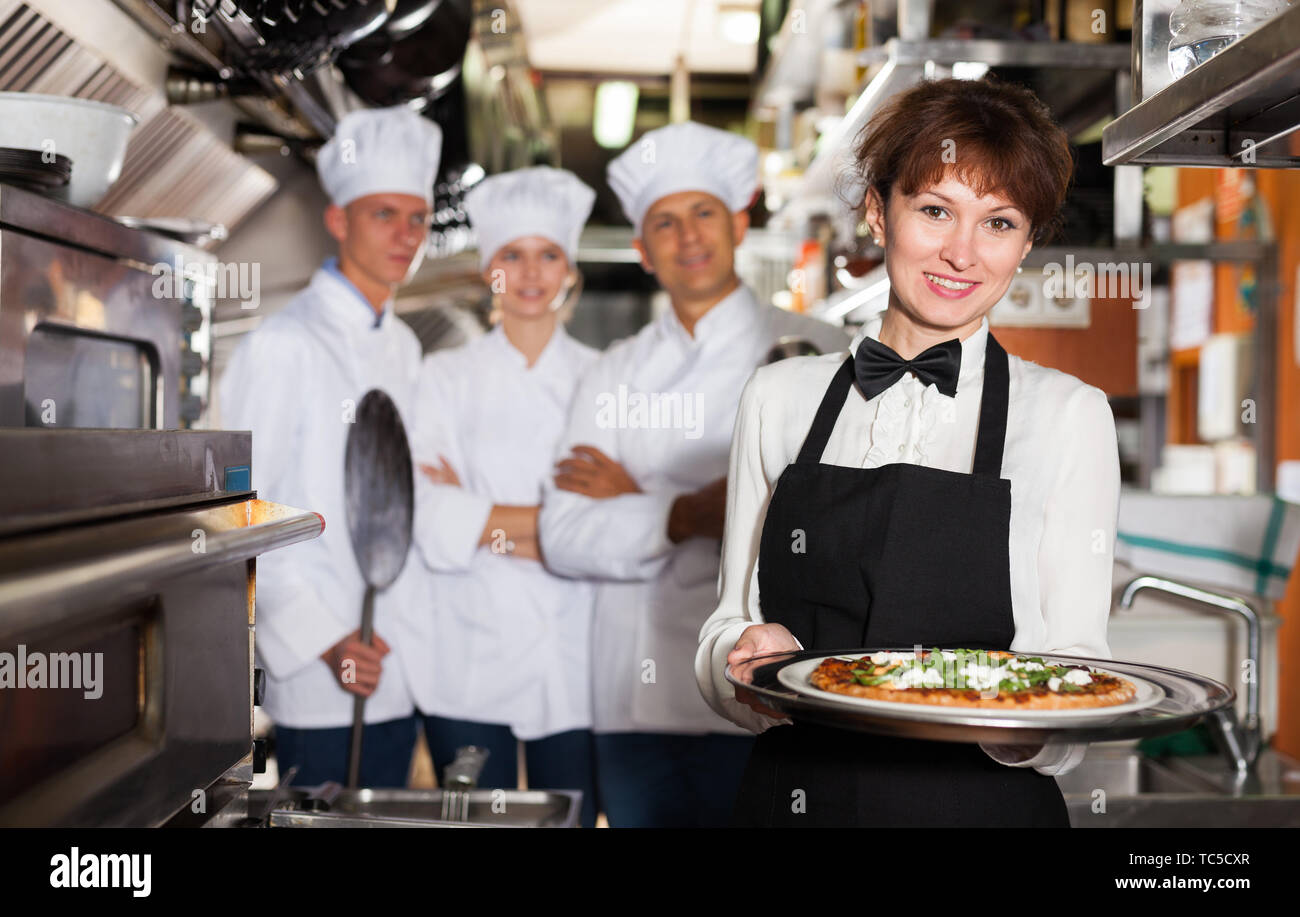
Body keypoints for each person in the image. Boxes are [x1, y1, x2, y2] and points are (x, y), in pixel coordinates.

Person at [696, 77, 1122, 827]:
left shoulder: (1069, 417)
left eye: (999, 223)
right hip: (800, 799)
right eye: (934, 211)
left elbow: (1078, 669)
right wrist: (743, 655)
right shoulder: (778, 397)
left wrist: (1022, 726)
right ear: (875, 210)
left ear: (1026, 244)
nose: (962, 252)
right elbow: (722, 631)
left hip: (981, 810)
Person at [539, 121, 850, 827]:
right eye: (665, 222)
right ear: (643, 251)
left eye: (703, 212)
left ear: (739, 221)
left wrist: (639, 501)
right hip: (635, 699)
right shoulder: (612, 369)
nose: (688, 236)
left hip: (775, 689)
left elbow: (841, 524)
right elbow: (564, 533)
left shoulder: (818, 351)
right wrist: (685, 513)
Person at [219, 106, 442, 787]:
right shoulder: (284, 345)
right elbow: (246, 511)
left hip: (405, 668)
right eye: (384, 215)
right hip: (328, 672)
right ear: (339, 218)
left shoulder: (402, 343)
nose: (406, 236)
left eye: (418, 218)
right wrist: (325, 640)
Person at [396, 166, 602, 827]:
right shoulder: (444, 375)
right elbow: (427, 518)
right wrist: (561, 528)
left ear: (568, 266)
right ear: (491, 268)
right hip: (465, 657)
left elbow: (616, 526)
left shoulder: (605, 377)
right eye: (512, 254)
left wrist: (479, 518)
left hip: (576, 662)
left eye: (548, 254)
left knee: (568, 820)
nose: (531, 271)